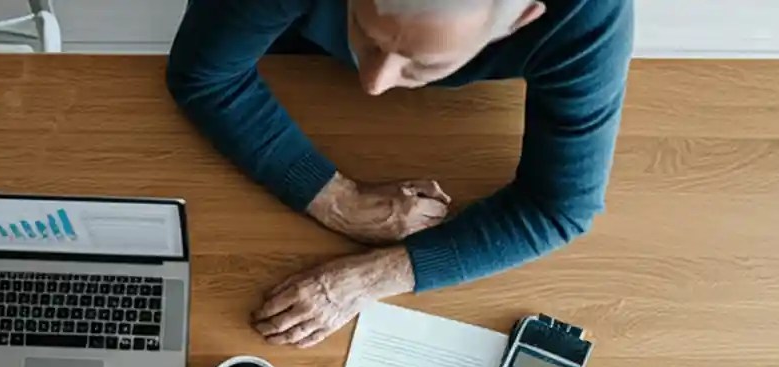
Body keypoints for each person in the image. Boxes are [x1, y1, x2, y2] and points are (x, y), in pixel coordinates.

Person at [166, 0, 634, 348]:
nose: (375, 83)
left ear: (521, 17)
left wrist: (378, 275)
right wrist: (336, 200)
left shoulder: (590, 13)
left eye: (420, 61)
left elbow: (561, 206)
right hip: (288, 45)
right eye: (365, 31)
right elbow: (206, 75)